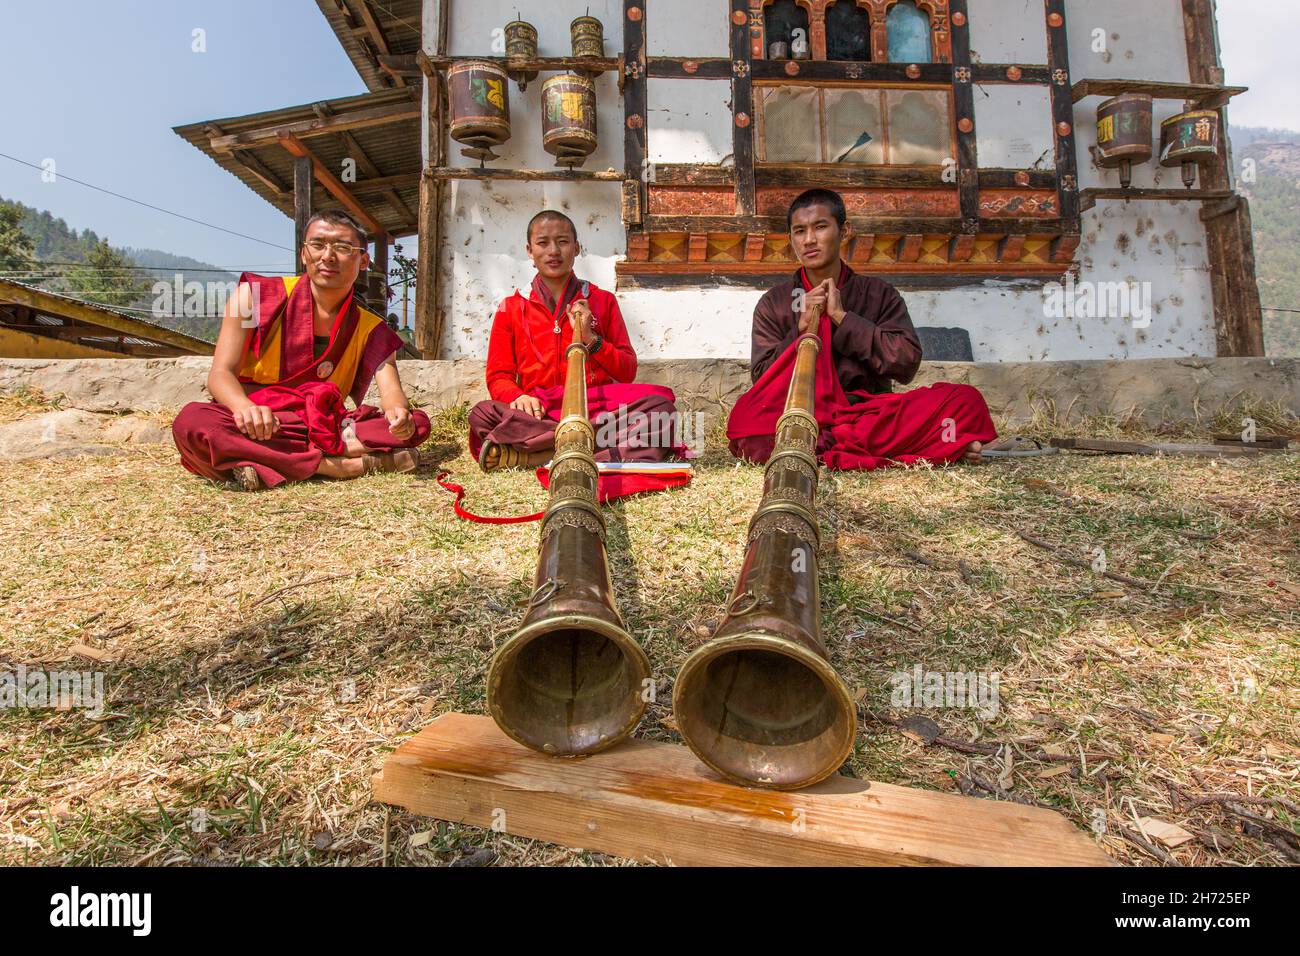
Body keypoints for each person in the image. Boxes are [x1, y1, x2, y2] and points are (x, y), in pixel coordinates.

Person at [727, 188, 998, 469]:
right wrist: (800, 330)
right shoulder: (775, 303)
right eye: (799, 231)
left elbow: (905, 363)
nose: (809, 240)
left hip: (871, 415)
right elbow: (761, 379)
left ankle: (823, 447)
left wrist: (843, 318)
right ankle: (938, 444)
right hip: (804, 414)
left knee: (965, 400)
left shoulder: (879, 294)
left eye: (820, 227)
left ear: (844, 231)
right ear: (791, 238)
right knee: (745, 423)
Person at [172, 210, 430, 490]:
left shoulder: (372, 329)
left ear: (363, 260)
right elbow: (220, 374)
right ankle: (335, 467)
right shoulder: (253, 298)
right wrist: (243, 407)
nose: (328, 256)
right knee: (193, 422)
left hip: (321, 423)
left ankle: (265, 462)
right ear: (303, 254)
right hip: (260, 420)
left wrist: (398, 416)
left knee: (418, 424)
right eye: (318, 245)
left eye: (343, 247)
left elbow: (392, 393)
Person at [468, 209, 683, 471]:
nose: (553, 251)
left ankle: (539, 455)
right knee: (482, 414)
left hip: (597, 409)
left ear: (576, 248)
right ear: (529, 251)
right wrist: (519, 396)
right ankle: (596, 450)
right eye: (543, 243)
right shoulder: (511, 308)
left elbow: (626, 371)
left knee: (660, 408)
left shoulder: (601, 300)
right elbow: (498, 375)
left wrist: (592, 339)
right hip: (541, 412)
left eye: (563, 241)